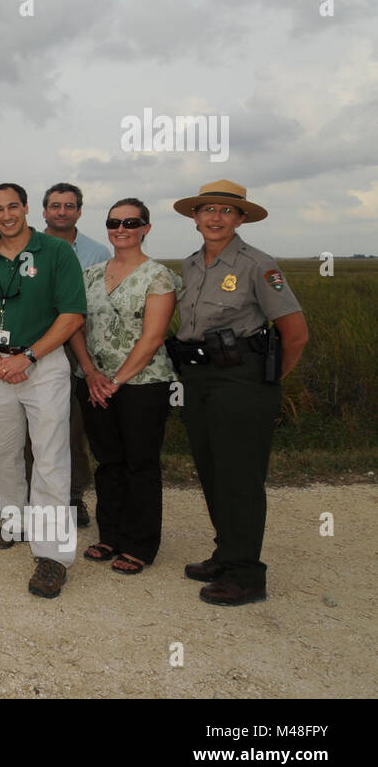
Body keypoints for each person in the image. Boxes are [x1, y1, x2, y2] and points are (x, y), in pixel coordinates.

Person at [170, 180, 308, 605]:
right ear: (195, 218)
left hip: (242, 379)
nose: (215, 218)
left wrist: (265, 379)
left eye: (227, 211)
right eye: (207, 210)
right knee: (212, 471)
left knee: (241, 479)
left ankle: (247, 576)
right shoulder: (191, 265)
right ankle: (227, 554)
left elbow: (296, 334)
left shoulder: (257, 265)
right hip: (200, 377)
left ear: (241, 218)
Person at [0, 182, 86, 599]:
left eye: (13, 206)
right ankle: (7, 522)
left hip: (43, 364)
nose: (6, 215)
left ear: (27, 208)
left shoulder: (57, 253)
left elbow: (71, 315)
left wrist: (28, 357)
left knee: (50, 456)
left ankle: (52, 555)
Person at [68, 199, 176, 575]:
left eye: (131, 222)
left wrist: (115, 380)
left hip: (142, 384)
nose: (122, 228)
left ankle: (140, 544)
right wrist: (91, 372)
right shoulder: (92, 275)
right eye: (115, 222)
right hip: (94, 382)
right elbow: (76, 325)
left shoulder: (158, 276)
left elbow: (152, 337)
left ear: (146, 227)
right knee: (108, 461)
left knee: (140, 463)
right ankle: (110, 533)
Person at [40, 182, 112, 528]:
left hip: (82, 346)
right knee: (36, 423)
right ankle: (33, 492)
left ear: (79, 212)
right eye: (56, 206)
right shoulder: (28, 249)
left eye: (69, 206)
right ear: (44, 212)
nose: (62, 212)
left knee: (73, 425)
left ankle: (73, 495)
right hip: (38, 346)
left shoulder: (98, 253)